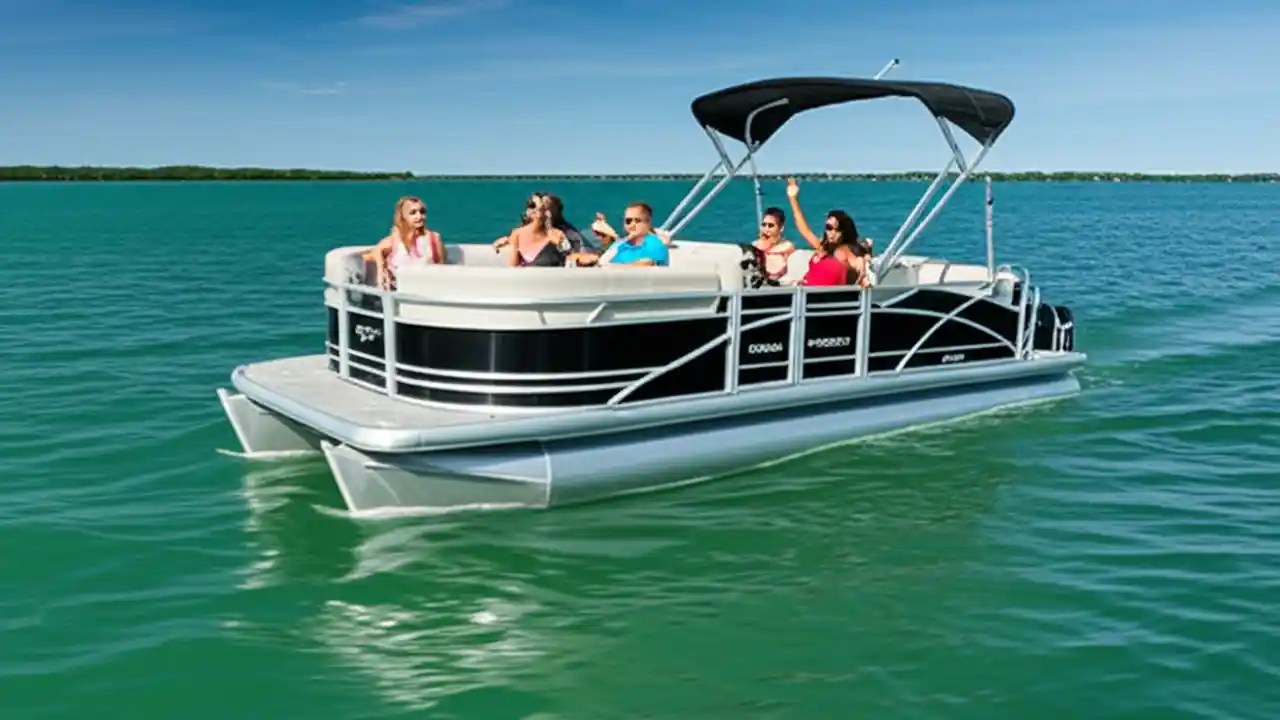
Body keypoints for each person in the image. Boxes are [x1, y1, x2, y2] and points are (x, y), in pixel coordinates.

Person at [785, 177, 871, 287]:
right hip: (805, 294)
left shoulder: (845, 252)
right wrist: (793, 199)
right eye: (829, 227)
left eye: (838, 229)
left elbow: (857, 262)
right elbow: (804, 230)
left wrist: (862, 263)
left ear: (845, 231)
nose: (832, 233)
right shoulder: (823, 248)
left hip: (825, 299)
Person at [362, 195, 445, 289]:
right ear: (403, 216)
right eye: (413, 213)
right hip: (400, 291)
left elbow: (441, 268)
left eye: (422, 212)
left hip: (427, 289)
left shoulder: (434, 239)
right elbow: (374, 252)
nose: (419, 216)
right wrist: (381, 270)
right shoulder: (396, 239)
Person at [568, 202, 670, 266]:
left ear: (648, 222)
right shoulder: (621, 244)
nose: (632, 225)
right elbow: (605, 261)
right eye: (628, 221)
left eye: (637, 220)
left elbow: (645, 263)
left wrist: (606, 266)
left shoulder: (654, 244)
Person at [500, 194, 568, 267]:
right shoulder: (517, 234)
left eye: (544, 207)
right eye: (534, 206)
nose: (538, 210)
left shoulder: (556, 234)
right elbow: (513, 267)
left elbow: (568, 253)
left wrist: (556, 241)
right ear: (528, 211)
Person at [753, 206, 795, 282]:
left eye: (771, 225)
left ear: (781, 228)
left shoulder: (786, 247)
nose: (766, 229)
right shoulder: (755, 245)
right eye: (764, 225)